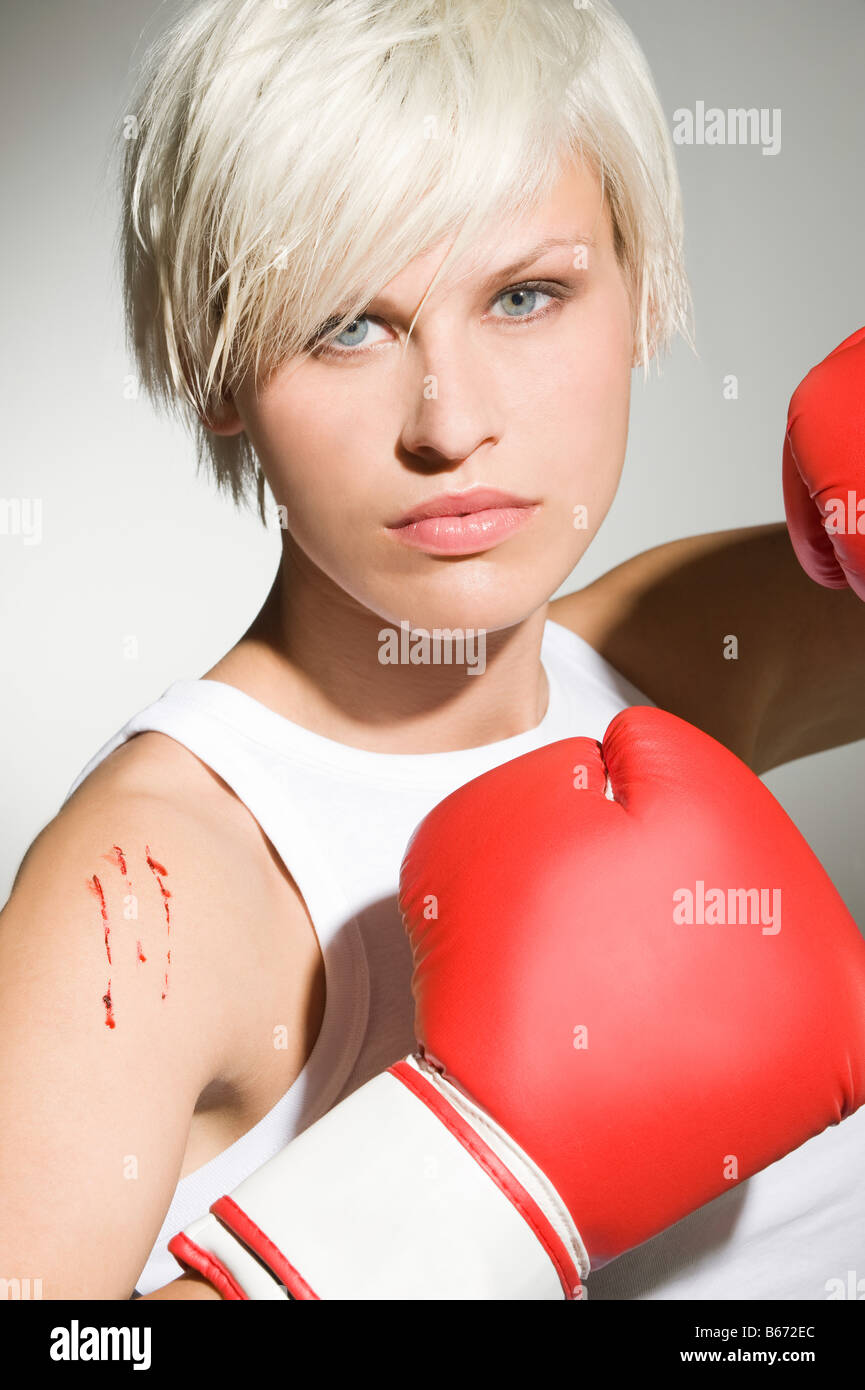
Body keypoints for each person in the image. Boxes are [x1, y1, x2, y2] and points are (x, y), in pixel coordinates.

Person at [1, 0, 863, 1301]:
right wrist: (459, 1192)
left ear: (639, 287)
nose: (449, 423)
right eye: (347, 323)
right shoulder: (148, 892)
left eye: (525, 295)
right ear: (221, 366)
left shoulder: (674, 653)